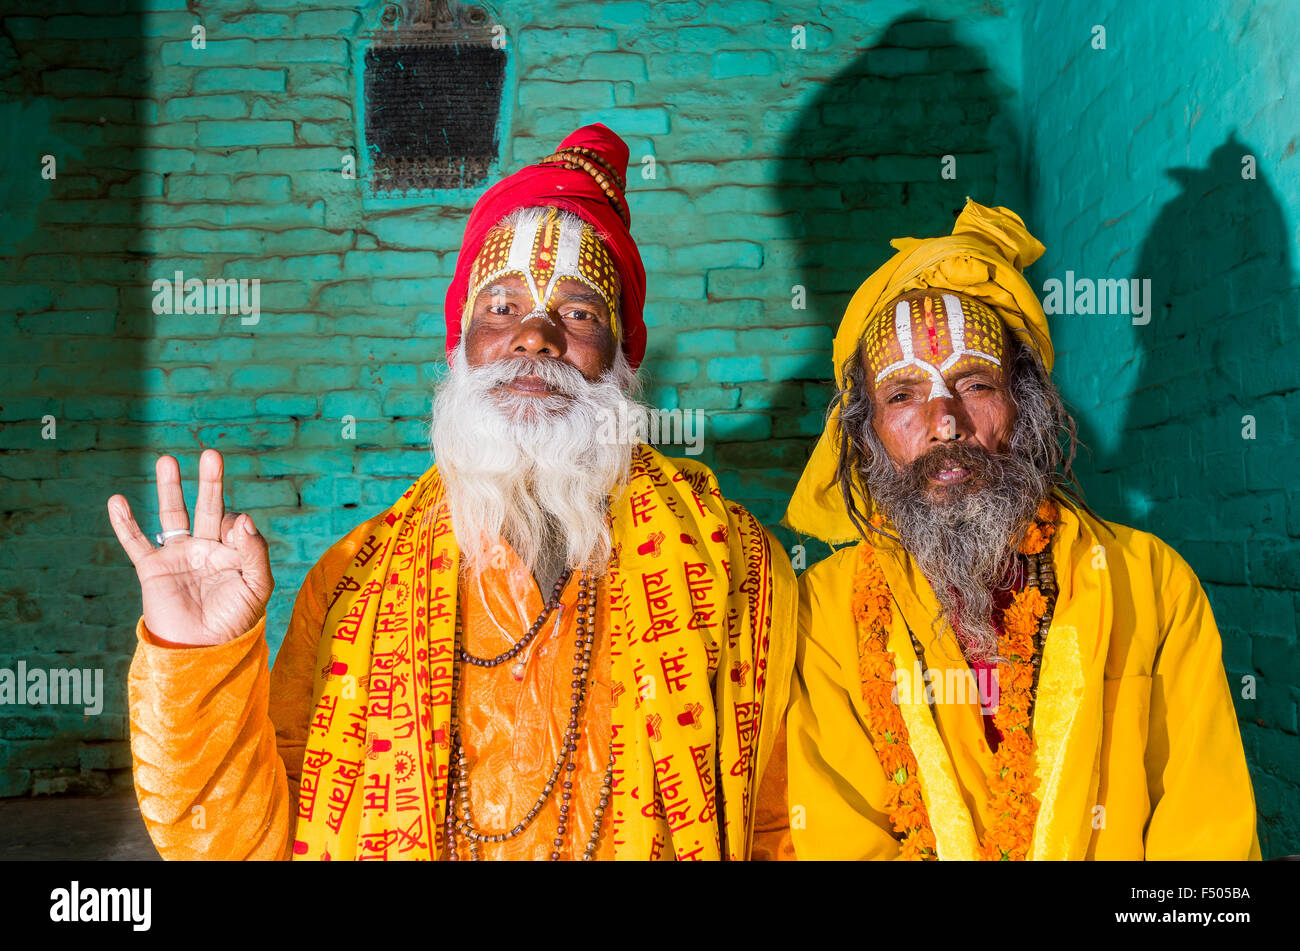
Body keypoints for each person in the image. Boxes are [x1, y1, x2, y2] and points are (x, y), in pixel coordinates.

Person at [109, 124, 796, 861]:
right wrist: (195, 658)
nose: (535, 336)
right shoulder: (356, 579)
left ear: (622, 358)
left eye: (578, 313)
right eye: (500, 309)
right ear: (460, 344)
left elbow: (784, 829)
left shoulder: (734, 566)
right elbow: (248, 846)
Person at [752, 199, 1258, 860]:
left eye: (974, 383)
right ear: (865, 430)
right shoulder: (824, 614)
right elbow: (835, 835)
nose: (944, 422)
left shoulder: (1150, 582)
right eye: (902, 394)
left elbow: (1204, 842)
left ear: (1026, 405)